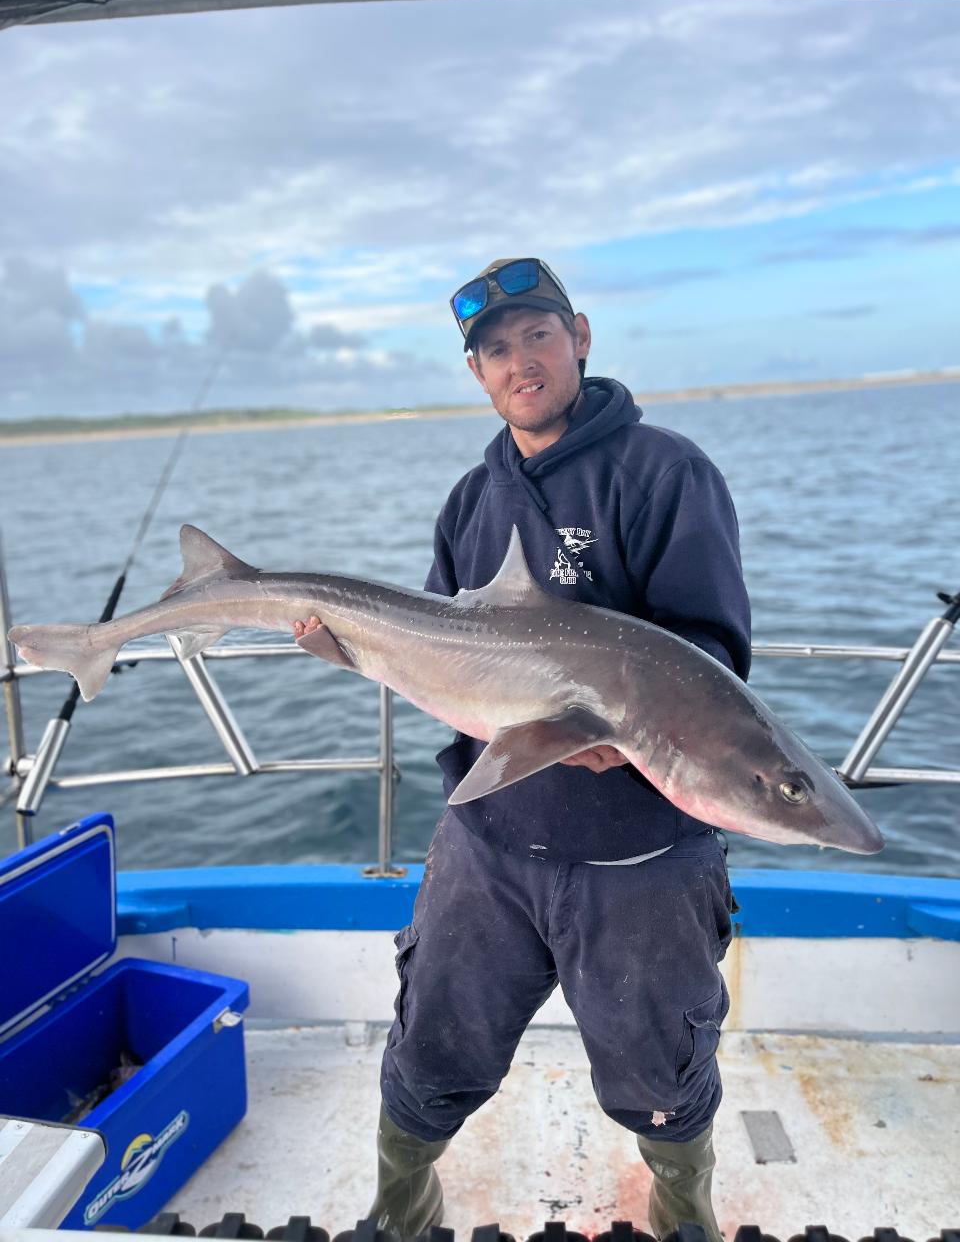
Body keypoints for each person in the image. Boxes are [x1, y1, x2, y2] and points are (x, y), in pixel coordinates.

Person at [297, 258, 751, 1241]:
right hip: (490, 840)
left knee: (662, 1074)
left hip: (638, 856)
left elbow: (712, 657)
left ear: (579, 335)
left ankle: (686, 1219)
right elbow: (442, 655)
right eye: (495, 348)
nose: (520, 360)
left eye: (537, 335)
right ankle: (399, 1211)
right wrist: (358, 651)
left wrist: (620, 737)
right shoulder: (470, 501)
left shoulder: (664, 472)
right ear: (477, 371)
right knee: (426, 1056)